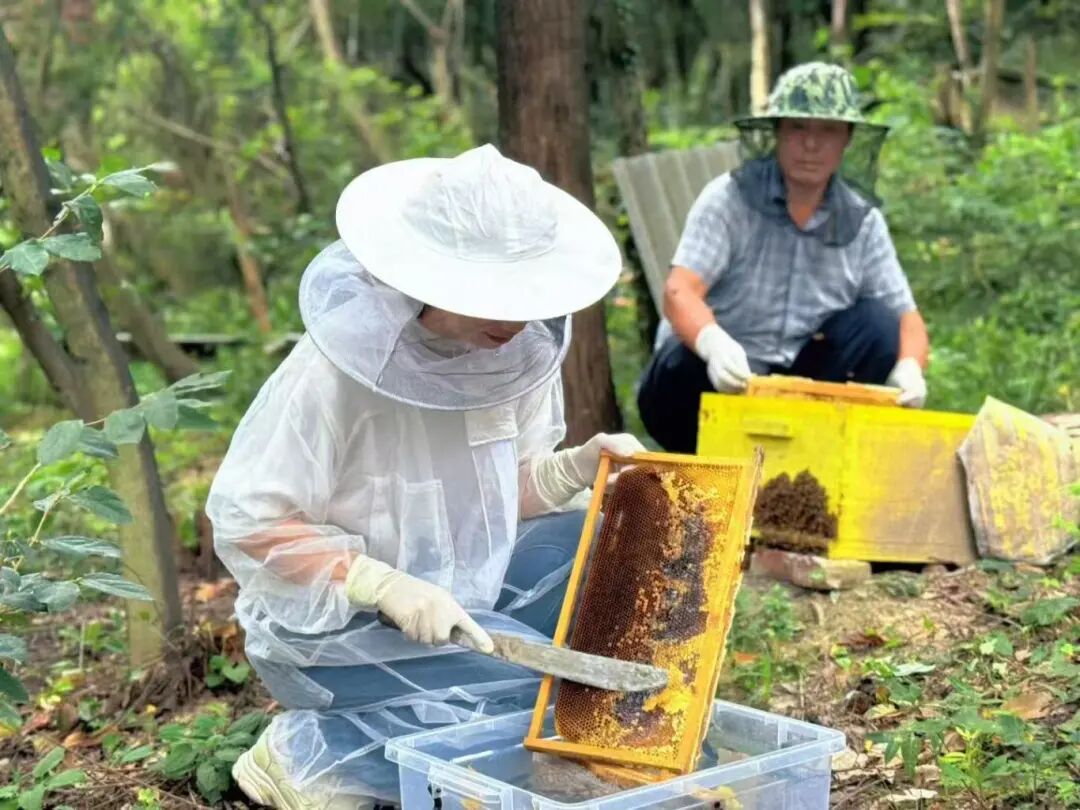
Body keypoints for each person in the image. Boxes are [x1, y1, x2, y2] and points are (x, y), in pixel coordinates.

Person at [206, 144, 645, 809]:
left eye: (527, 291)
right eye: (494, 293)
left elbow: (497, 497)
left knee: (599, 550)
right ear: (433, 277)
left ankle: (415, 730)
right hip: (332, 629)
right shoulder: (333, 373)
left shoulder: (518, 357)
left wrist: (571, 469)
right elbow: (248, 521)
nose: (515, 316)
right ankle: (312, 754)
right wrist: (376, 582)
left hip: (461, 597)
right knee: (547, 716)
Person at [637, 62, 930, 453]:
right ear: (776, 132)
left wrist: (910, 368)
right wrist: (712, 344)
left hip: (805, 392)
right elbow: (680, 291)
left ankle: (815, 454)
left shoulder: (863, 221)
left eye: (827, 130)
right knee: (680, 357)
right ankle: (701, 464)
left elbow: (907, 319)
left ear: (847, 138)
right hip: (715, 383)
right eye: (798, 127)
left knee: (878, 326)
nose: (811, 144)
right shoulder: (727, 200)